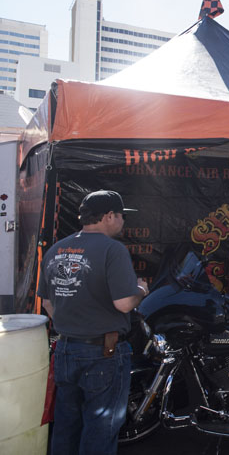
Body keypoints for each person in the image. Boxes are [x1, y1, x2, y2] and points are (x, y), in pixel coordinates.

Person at [37, 190, 148, 455]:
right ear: (109, 216)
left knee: (66, 427)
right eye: (121, 216)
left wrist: (73, 323)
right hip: (103, 355)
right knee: (100, 429)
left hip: (65, 351)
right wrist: (142, 290)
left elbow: (47, 302)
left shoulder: (56, 249)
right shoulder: (113, 250)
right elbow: (124, 303)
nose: (123, 222)